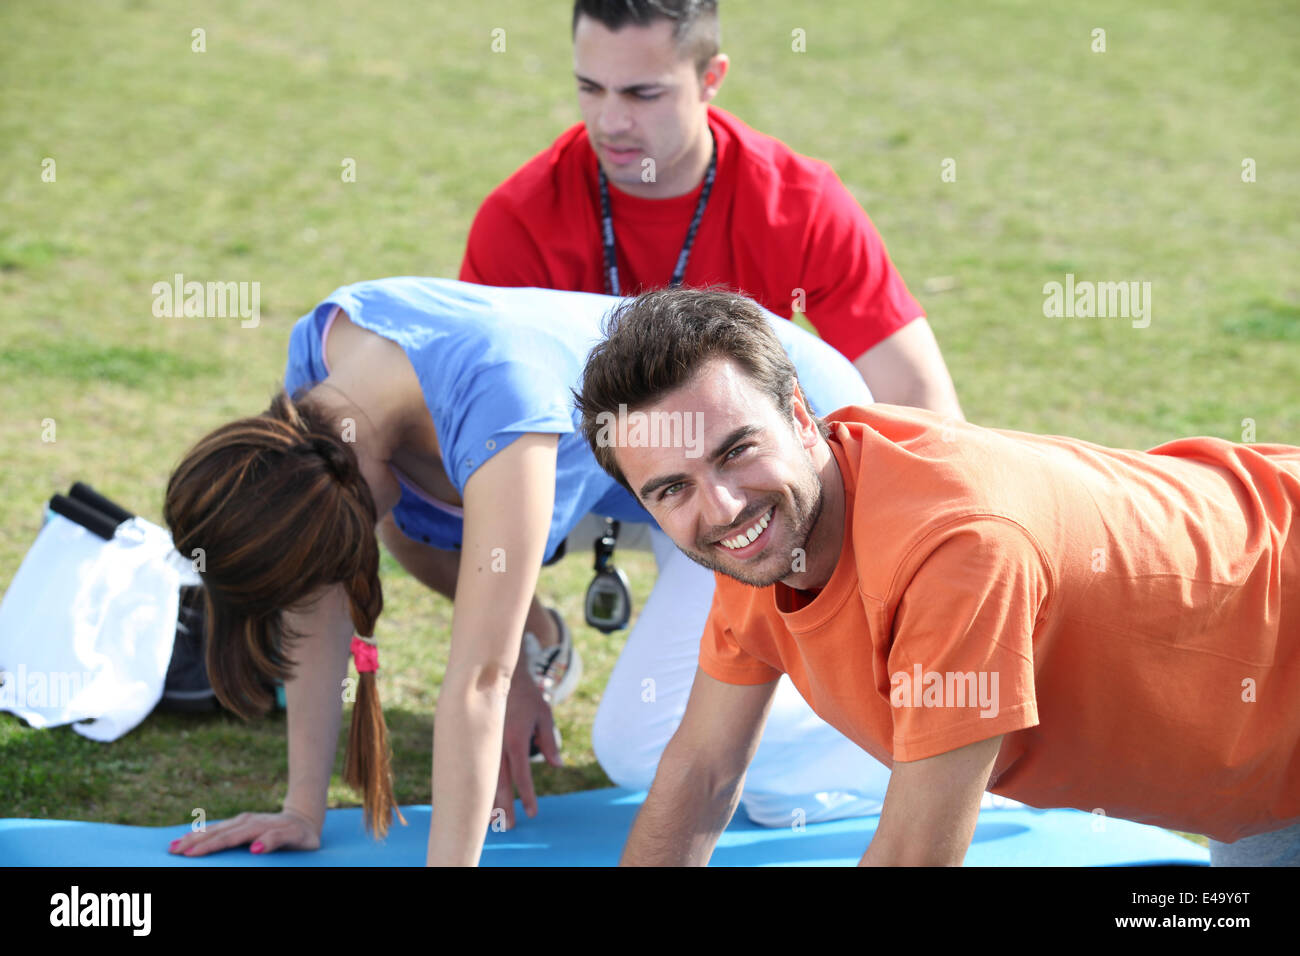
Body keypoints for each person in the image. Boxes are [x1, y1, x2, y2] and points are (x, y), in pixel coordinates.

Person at [161, 276, 884, 867]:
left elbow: (477, 680)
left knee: (640, 743)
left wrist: (513, 673)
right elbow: (314, 610)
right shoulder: (318, 378)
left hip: (758, 456)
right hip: (645, 475)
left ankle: (899, 744)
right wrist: (301, 810)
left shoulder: (499, 401)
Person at [575, 287, 1300, 866]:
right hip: (1247, 762)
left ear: (800, 416)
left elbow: (914, 858)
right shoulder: (760, 537)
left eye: (736, 451)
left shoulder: (954, 550)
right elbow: (700, 771)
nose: (722, 504)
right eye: (672, 488)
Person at [460, 0, 964, 420]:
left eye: (643, 93)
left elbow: (920, 405)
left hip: (729, 465)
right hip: (570, 457)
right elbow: (466, 412)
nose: (610, 121)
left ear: (710, 78)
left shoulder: (797, 203)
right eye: (590, 88)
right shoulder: (519, 215)